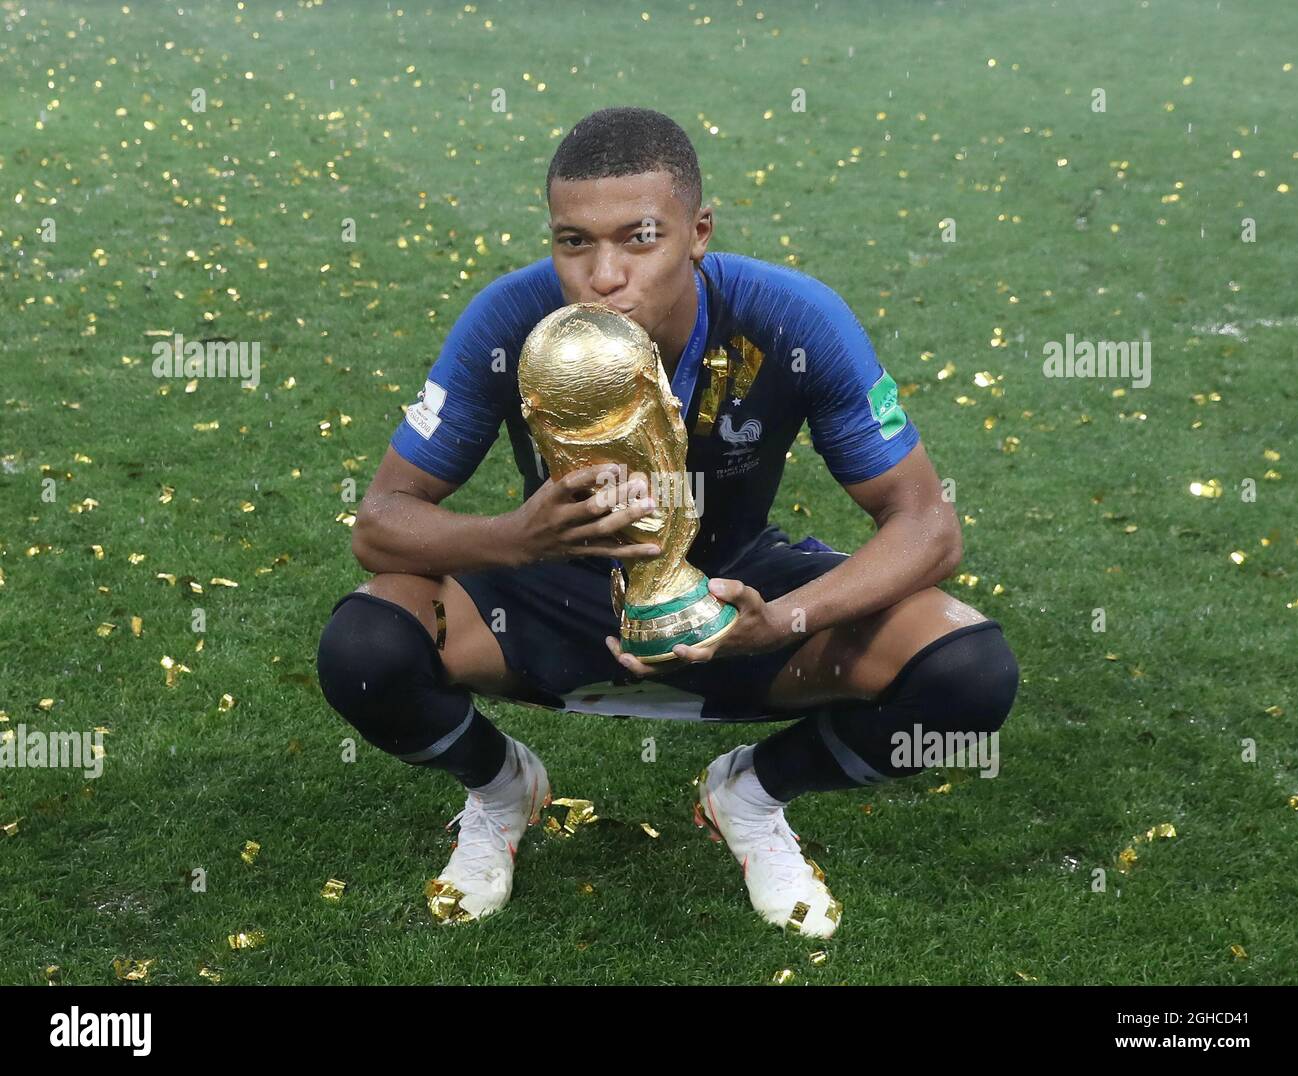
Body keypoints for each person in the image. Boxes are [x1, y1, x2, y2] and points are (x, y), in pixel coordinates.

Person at [316, 106, 1019, 938]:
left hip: (736, 592)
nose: (602, 275)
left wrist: (785, 619)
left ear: (698, 232)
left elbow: (929, 525)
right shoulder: (513, 321)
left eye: (638, 238)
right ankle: (501, 789)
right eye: (573, 241)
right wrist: (517, 537)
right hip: (542, 596)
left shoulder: (789, 317)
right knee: (365, 649)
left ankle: (752, 796)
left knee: (970, 672)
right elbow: (381, 522)